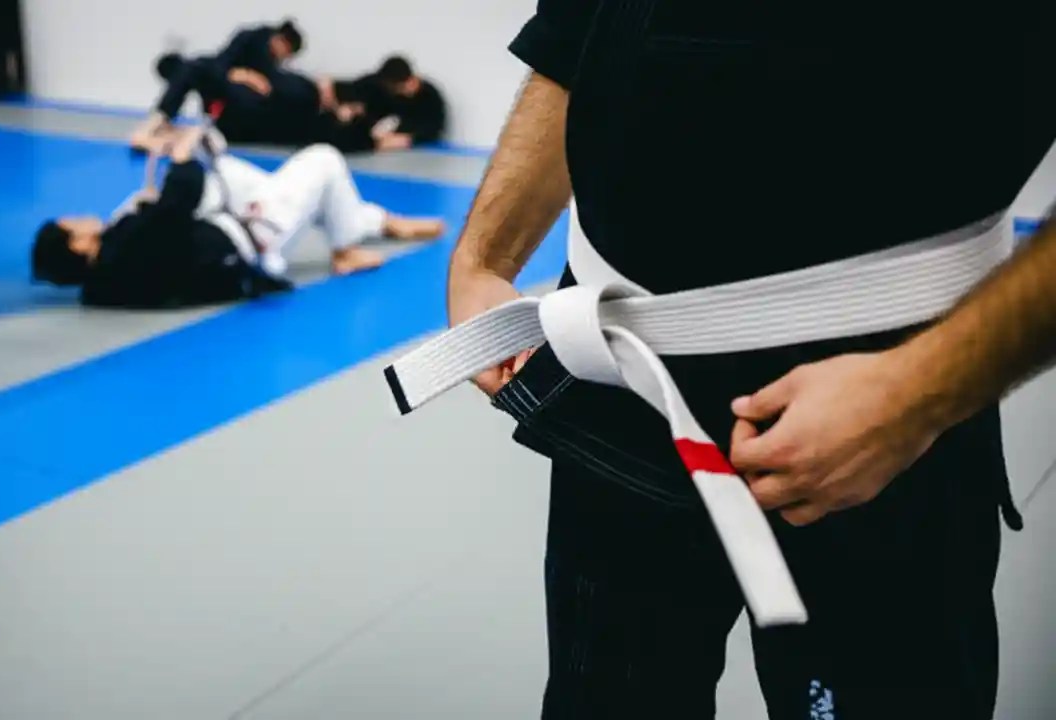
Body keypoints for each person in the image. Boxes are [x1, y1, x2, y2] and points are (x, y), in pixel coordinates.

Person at [437, 1, 1054, 718]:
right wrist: (486, 254)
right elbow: (582, 25)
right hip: (620, 386)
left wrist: (919, 390)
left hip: (875, 411)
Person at [34, 125, 445, 308]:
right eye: (72, 223)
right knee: (323, 159)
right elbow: (183, 193)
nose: (80, 216)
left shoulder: (103, 278)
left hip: (220, 228)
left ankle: (369, 221)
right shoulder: (125, 246)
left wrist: (149, 203)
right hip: (252, 242)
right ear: (78, 243)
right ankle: (349, 244)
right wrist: (180, 158)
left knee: (227, 168)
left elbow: (161, 220)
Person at [130, 19, 307, 153]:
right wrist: (244, 76)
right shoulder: (249, 37)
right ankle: (158, 121)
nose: (284, 57)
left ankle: (192, 135)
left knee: (199, 70)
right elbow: (223, 64)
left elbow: (267, 89)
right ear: (281, 41)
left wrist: (248, 80)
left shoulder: (274, 67)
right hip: (223, 85)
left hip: (241, 107)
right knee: (195, 67)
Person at [323, 55, 447, 152]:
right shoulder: (378, 84)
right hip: (371, 137)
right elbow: (343, 88)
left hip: (404, 142)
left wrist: (407, 140)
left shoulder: (430, 96)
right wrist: (347, 107)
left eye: (400, 88)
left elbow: (435, 128)